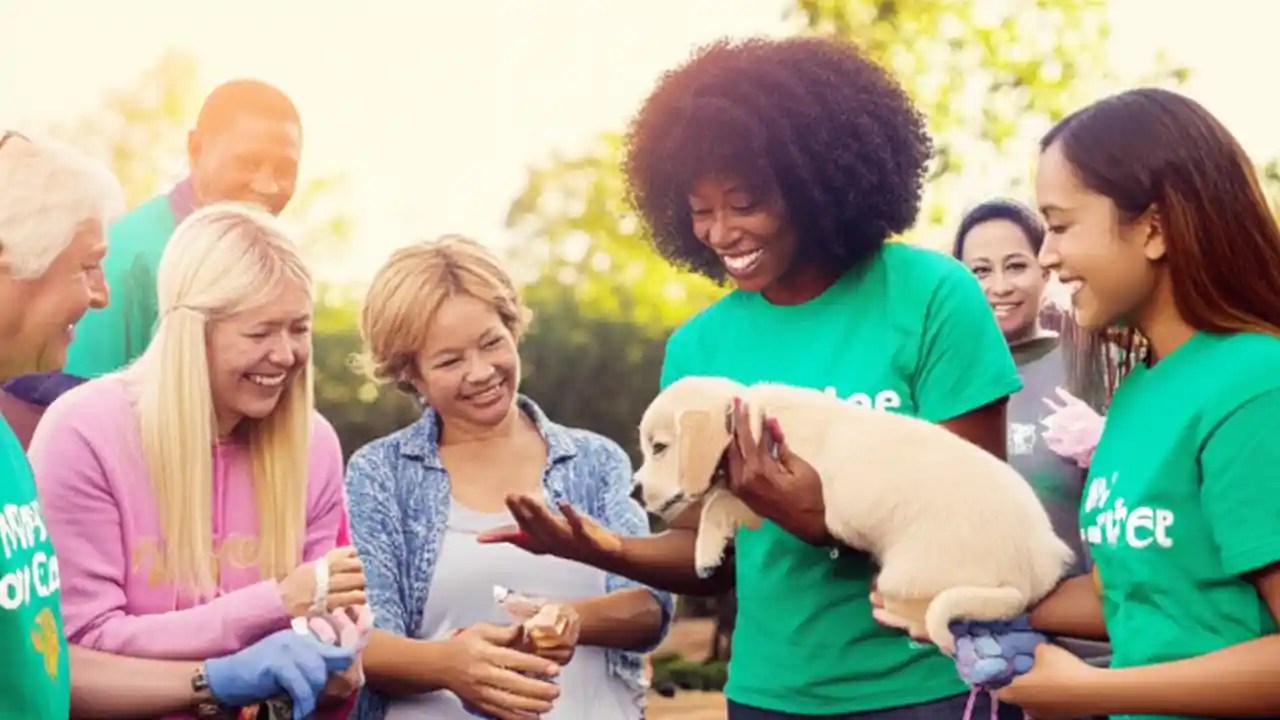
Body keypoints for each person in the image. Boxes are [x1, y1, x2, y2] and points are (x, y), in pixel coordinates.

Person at [479, 37, 1024, 719]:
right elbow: (714, 552)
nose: (719, 231)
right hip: (769, 695)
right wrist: (603, 547)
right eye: (699, 209)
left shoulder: (932, 295)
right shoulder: (700, 349)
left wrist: (819, 517)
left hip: (929, 688)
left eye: (744, 202)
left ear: (815, 183)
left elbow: (976, 522)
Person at [0, 130, 350, 719]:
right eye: (260, 332)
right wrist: (264, 617)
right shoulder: (83, 432)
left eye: (298, 329)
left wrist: (338, 641)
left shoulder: (312, 443)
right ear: (194, 331)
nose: (286, 354)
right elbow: (77, 647)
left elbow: (327, 606)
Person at [964, 88, 1280, 719]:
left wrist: (1088, 691)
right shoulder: (1140, 386)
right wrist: (969, 601)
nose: (1048, 257)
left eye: (1058, 226)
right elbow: (1132, 593)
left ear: (1154, 228)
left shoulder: (1256, 386)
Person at [344, 235, 674, 720]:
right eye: (450, 361)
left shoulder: (594, 460)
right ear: (408, 372)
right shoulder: (380, 475)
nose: (481, 372)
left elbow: (649, 608)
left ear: (512, 327)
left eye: (491, 343)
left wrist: (567, 619)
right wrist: (450, 665)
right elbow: (364, 645)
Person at [64, 78, 303, 380]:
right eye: (250, 163)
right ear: (196, 148)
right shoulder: (127, 255)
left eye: (285, 170)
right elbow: (75, 404)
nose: (267, 186)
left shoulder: (277, 269)